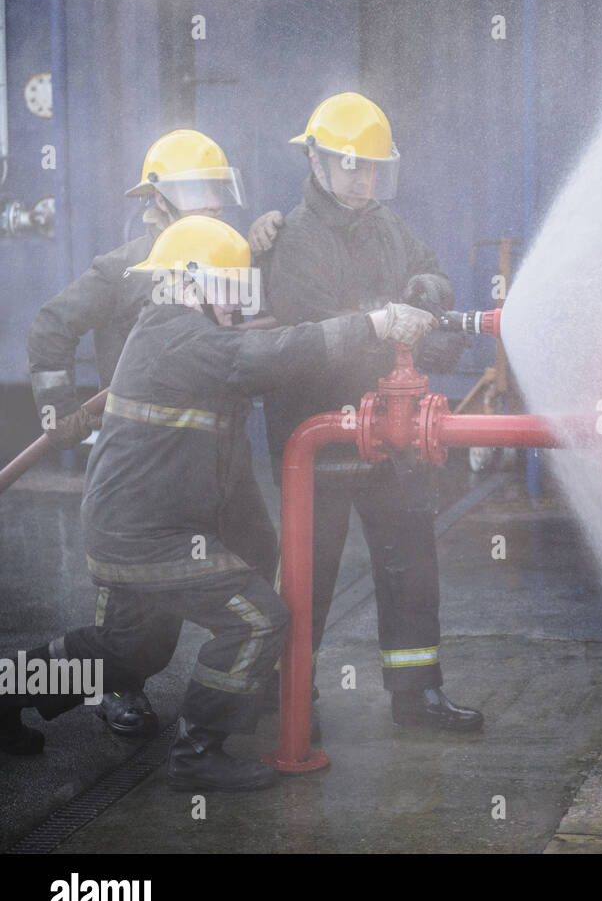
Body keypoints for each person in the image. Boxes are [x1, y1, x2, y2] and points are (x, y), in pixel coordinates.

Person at [1, 216, 436, 789]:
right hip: (146, 536)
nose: (238, 305)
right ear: (187, 284)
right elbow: (268, 356)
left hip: (133, 528)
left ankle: (7, 691)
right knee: (258, 620)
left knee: (125, 648)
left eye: (242, 291)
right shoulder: (175, 334)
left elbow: (263, 353)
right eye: (228, 290)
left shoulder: (188, 333)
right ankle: (196, 752)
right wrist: (373, 325)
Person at [25, 129, 283, 740]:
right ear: (159, 200)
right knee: (137, 625)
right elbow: (51, 326)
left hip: (220, 456)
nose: (213, 203)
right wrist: (60, 409)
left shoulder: (228, 254)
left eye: (218, 190)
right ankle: (115, 685)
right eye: (199, 190)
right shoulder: (124, 268)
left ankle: (250, 676)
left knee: (256, 560)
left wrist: (275, 236)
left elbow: (273, 330)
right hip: (147, 462)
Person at [262, 92, 481, 733]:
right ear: (316, 161)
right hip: (321, 435)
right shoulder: (295, 241)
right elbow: (317, 337)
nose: (364, 179)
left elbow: (433, 274)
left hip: (390, 434)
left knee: (410, 558)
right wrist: (394, 329)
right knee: (310, 570)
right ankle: (293, 698)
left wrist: (426, 295)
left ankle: (418, 696)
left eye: (373, 167)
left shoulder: (386, 225)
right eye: (352, 165)